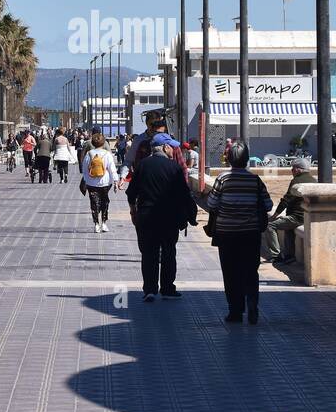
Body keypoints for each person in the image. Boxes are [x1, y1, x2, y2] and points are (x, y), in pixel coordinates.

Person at [201, 141, 271, 323]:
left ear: (229, 159)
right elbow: (268, 205)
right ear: (247, 159)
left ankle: (235, 311)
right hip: (251, 233)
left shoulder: (223, 179)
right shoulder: (255, 180)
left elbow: (211, 204)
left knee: (230, 272)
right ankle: (253, 304)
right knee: (250, 270)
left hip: (227, 233)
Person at [125, 137, 196, 302]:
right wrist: (188, 215)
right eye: (171, 147)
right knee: (169, 252)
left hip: (146, 216)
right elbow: (184, 194)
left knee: (149, 253)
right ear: (164, 147)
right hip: (169, 217)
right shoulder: (174, 167)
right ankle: (168, 289)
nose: (173, 150)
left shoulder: (142, 165)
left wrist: (133, 211)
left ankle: (150, 289)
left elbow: (131, 193)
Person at [263, 158, 314, 265]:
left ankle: (276, 256)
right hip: (307, 216)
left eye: (293, 168)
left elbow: (286, 200)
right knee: (288, 230)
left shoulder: (296, 181)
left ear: (299, 170)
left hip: (297, 218)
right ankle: (289, 256)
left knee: (269, 226)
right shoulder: (314, 180)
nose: (292, 170)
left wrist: (274, 216)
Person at [81, 132, 118, 232]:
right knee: (105, 202)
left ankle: (96, 224)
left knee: (94, 203)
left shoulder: (89, 154)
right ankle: (104, 223)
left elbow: (84, 169)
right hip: (105, 183)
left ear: (92, 143)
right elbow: (112, 169)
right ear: (103, 143)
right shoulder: (107, 154)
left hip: (91, 183)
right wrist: (115, 181)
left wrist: (85, 179)